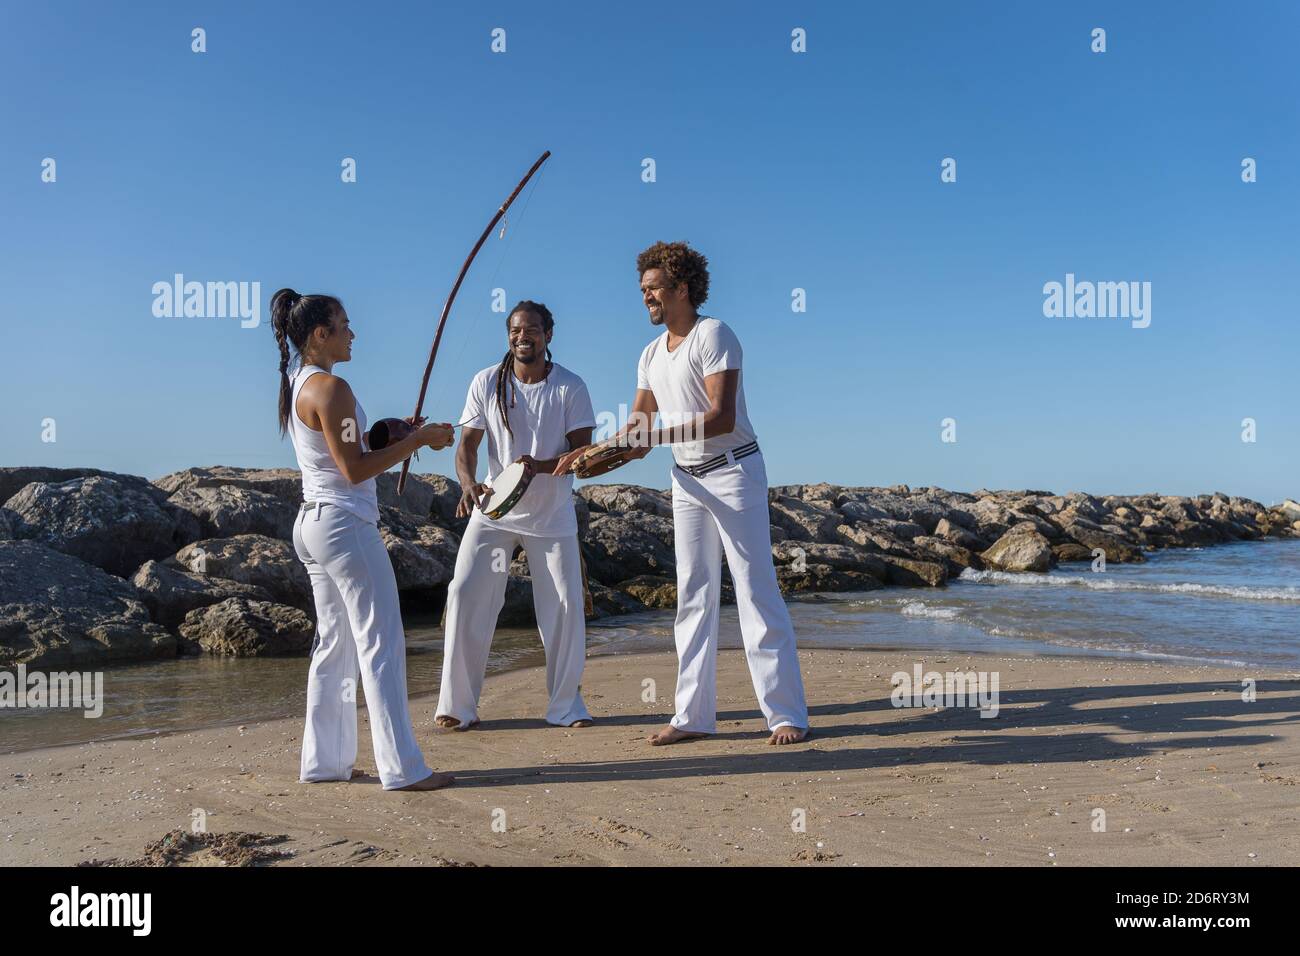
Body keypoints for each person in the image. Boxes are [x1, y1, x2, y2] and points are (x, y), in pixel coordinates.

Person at [555, 242, 810, 746]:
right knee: (692, 594)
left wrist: (647, 436)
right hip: (687, 479)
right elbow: (638, 428)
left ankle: (785, 715)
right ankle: (693, 715)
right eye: (643, 290)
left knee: (756, 590)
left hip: (734, 471)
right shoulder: (650, 354)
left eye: (654, 288)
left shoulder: (713, 334)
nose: (646, 297)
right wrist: (596, 455)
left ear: (682, 288)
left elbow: (722, 416)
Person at [271, 287, 456, 790]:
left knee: (333, 644)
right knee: (381, 641)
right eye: (345, 323)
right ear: (320, 334)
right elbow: (353, 471)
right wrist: (418, 441)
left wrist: (387, 433)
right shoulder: (333, 386)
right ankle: (403, 769)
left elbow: (339, 449)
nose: (353, 333)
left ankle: (324, 764)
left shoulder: (298, 381)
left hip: (312, 526)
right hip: (345, 524)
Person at [435, 301, 596, 730]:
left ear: (549, 334)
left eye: (532, 330)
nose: (523, 337)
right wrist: (468, 483)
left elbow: (583, 451)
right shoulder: (487, 382)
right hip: (495, 513)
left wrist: (536, 468)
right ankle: (457, 706)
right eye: (515, 330)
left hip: (552, 515)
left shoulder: (570, 387)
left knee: (563, 606)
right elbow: (466, 446)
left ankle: (566, 707)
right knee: (466, 593)